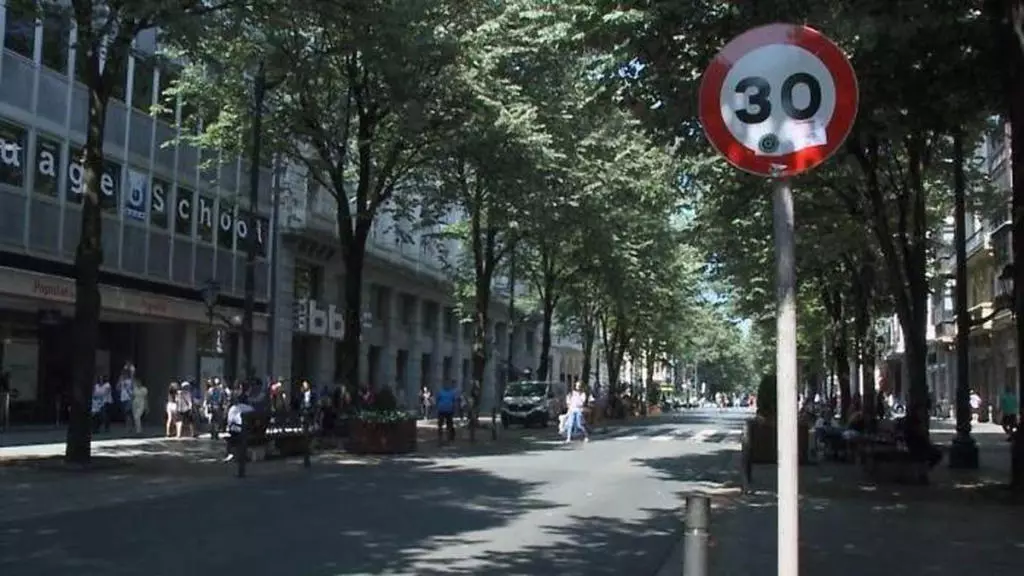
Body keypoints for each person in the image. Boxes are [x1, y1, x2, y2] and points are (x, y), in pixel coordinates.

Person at [224, 394, 255, 462]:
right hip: (244, 430)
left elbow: (230, 421)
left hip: (235, 430)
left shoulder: (232, 408)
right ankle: (240, 454)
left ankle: (231, 454)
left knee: (233, 436)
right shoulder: (248, 407)